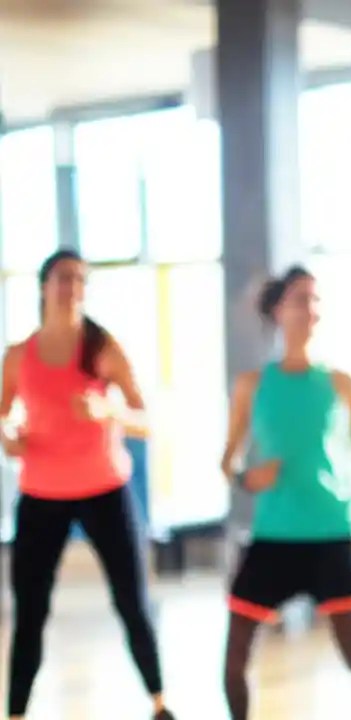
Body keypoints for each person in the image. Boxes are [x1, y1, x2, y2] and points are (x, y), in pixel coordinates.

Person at [2, 249, 175, 720]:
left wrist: (109, 411)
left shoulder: (102, 348)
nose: (71, 287)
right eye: (63, 278)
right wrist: (8, 439)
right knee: (30, 611)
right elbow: (2, 417)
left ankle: (159, 703)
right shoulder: (19, 355)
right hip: (40, 496)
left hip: (104, 491)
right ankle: (15, 712)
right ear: (43, 286)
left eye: (80, 280)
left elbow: (145, 420)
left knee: (132, 602)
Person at [219, 266, 351, 720]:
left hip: (330, 532)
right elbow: (228, 461)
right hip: (273, 535)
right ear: (278, 310)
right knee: (234, 660)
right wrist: (245, 478)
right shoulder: (252, 385)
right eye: (300, 298)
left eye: (316, 300)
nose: (310, 309)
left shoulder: (339, 382)